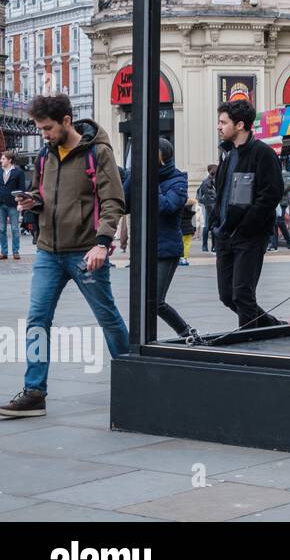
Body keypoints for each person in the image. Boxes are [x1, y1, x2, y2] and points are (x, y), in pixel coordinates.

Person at [0, 95, 128, 418]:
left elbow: (114, 200)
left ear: (67, 122)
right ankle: (34, 392)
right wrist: (33, 203)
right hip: (48, 251)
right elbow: (43, 196)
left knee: (108, 317)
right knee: (36, 320)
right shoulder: (46, 155)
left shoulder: (98, 153)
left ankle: (134, 381)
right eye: (40, 128)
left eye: (48, 128)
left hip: (86, 252)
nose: (43, 133)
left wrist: (102, 243)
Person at [211, 99, 285, 329]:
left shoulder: (262, 153)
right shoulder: (227, 155)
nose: (219, 126)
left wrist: (245, 226)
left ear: (240, 125)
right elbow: (221, 194)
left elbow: (271, 195)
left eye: (223, 122)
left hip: (249, 236)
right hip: (225, 235)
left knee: (242, 294)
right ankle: (271, 326)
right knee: (226, 295)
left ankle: (249, 342)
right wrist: (217, 225)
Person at [122, 138, 200, 341]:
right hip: (142, 248)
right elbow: (124, 204)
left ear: (162, 157)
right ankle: (144, 339)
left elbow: (165, 207)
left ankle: (186, 333)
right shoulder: (142, 175)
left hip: (166, 249)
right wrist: (135, 174)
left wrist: (150, 179)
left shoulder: (178, 181)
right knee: (141, 299)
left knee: (155, 301)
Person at [0, 150, 26, 260]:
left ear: (9, 160)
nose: (1, 160)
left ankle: (16, 251)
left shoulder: (18, 172)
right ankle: (4, 252)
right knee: (1, 229)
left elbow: (22, 189)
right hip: (0, 204)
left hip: (13, 205)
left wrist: (20, 202)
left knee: (15, 229)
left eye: (3, 158)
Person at [197, 163, 218, 252]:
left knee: (207, 225)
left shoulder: (206, 181)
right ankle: (212, 246)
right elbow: (213, 195)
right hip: (211, 205)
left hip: (207, 205)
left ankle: (206, 246)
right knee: (212, 225)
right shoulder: (212, 181)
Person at [179, 199, 196, 266]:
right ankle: (185, 258)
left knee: (181, 245)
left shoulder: (182, 211)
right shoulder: (191, 212)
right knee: (187, 245)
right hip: (189, 230)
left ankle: (181, 258)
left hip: (183, 230)